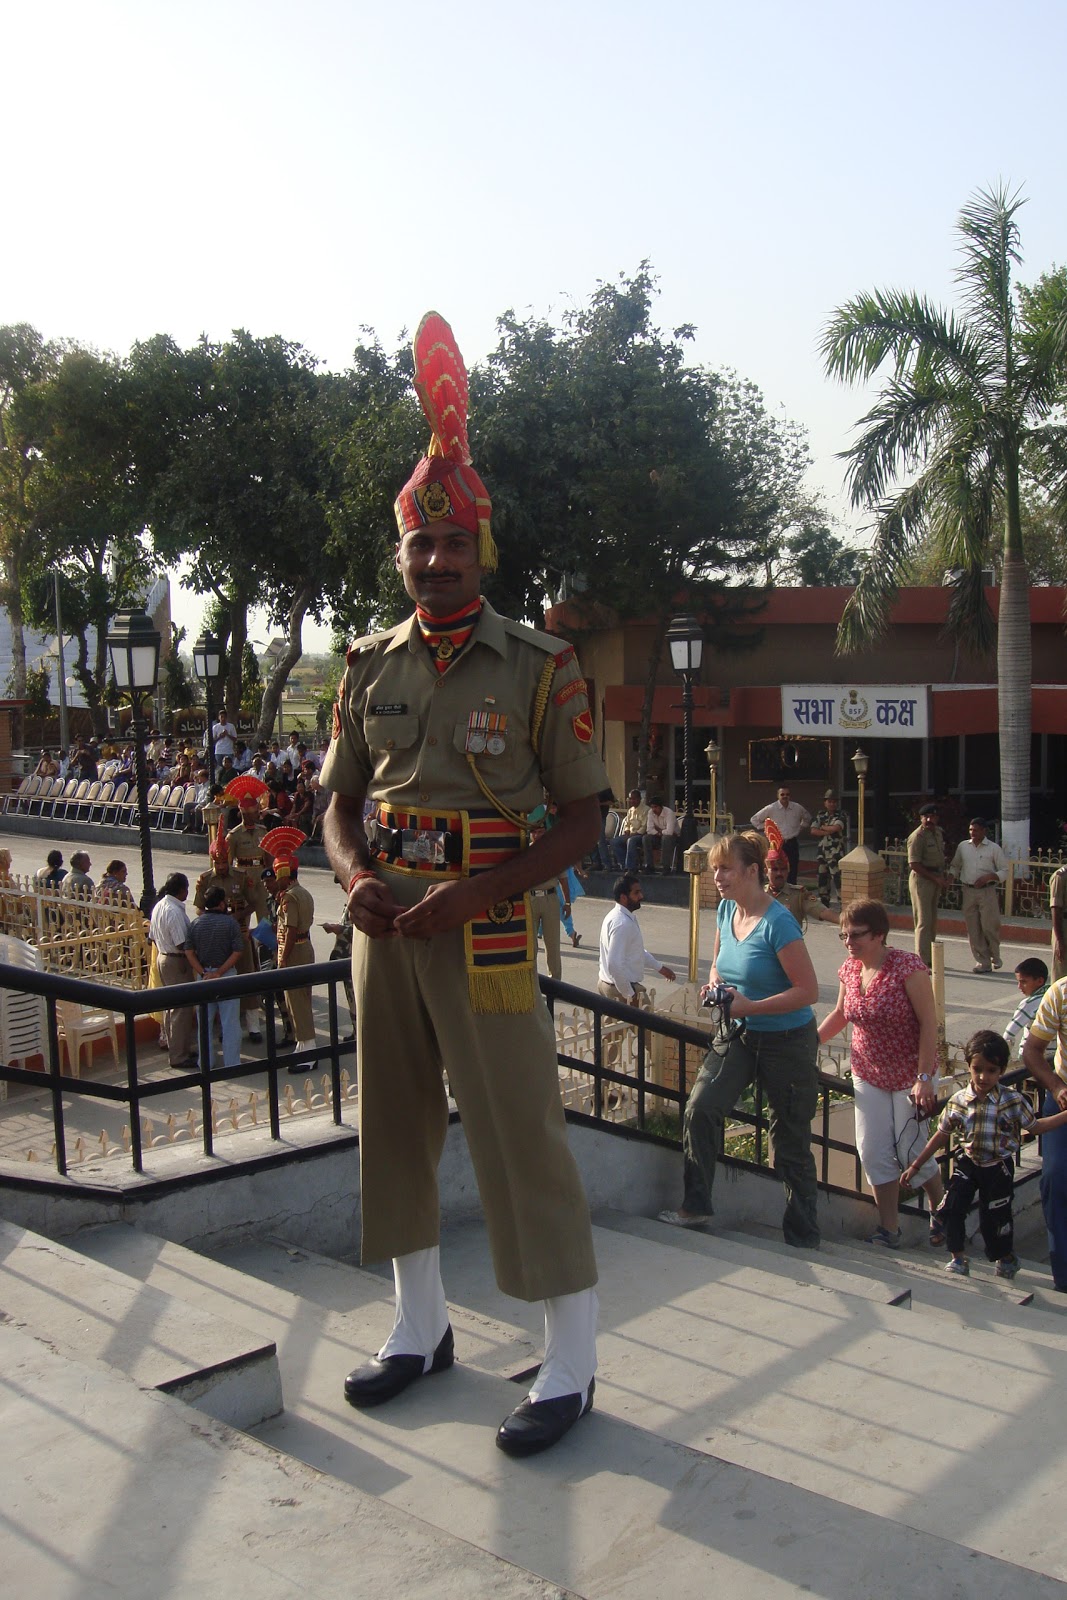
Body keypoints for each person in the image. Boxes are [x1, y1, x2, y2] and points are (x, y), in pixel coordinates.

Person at [321, 310, 605, 1459]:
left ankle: (572, 1358)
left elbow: (585, 815)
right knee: (389, 1126)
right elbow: (337, 798)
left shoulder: (539, 668)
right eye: (416, 548)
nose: (433, 563)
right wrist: (349, 874)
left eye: (453, 547)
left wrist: (479, 897)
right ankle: (417, 1326)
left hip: (482, 936)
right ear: (399, 556)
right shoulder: (366, 665)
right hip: (386, 928)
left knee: (515, 1134)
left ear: (482, 553)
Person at [658, 830, 821, 1245]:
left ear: (752, 871)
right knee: (700, 1108)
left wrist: (751, 1006)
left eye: (726, 868)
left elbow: (808, 991)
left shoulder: (778, 922)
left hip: (786, 1038)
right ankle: (695, 1206)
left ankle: (803, 1233)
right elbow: (718, 966)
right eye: (714, 869)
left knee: (789, 1139)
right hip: (737, 1033)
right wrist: (716, 987)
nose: (718, 877)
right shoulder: (725, 911)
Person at [818, 898, 945, 1248]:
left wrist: (923, 1079)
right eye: (844, 935)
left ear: (879, 935)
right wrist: (810, 1041)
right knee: (872, 1151)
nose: (849, 942)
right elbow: (842, 1013)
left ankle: (942, 1211)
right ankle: (889, 1228)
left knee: (911, 1150)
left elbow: (928, 1023)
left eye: (857, 935)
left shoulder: (908, 966)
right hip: (868, 1070)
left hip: (909, 1073)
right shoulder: (850, 968)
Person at [905, 1030, 1067, 1279]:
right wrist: (916, 1166)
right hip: (968, 1163)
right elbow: (941, 1135)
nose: (983, 1076)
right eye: (977, 1069)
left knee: (995, 1219)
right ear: (969, 1066)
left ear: (1000, 1071)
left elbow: (1036, 1127)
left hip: (997, 1168)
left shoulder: (1012, 1101)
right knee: (953, 1207)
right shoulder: (959, 1101)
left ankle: (1005, 1257)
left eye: (991, 1070)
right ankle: (957, 1257)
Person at [1021, 979, 1067, 1292]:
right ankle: (1063, 1275)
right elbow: (1032, 1051)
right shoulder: (1061, 993)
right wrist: (1056, 1086)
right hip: (1063, 1098)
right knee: (1056, 1178)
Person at [185, 887, 245, 1068]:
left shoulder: (196, 923)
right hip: (226, 976)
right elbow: (237, 951)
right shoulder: (230, 923)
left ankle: (205, 1062)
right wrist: (219, 973)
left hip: (203, 978)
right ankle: (232, 1063)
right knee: (230, 1023)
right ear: (221, 903)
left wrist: (204, 973)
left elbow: (189, 951)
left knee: (204, 1023)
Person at [597, 873, 677, 1004]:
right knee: (648, 1022)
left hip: (610, 985)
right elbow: (614, 964)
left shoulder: (618, 917)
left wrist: (660, 968)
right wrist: (629, 994)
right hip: (619, 989)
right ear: (623, 897)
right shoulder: (622, 923)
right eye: (636, 893)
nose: (641, 896)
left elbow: (636, 951)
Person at [273, 848, 317, 1074]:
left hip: (295, 951)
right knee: (299, 1001)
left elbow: (289, 930)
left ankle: (309, 1052)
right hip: (304, 947)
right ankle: (303, 1045)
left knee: (297, 1002)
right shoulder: (304, 892)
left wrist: (282, 958)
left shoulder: (290, 897)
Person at [147, 873, 197, 1069]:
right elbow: (182, 943)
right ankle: (178, 1055)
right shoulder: (173, 911)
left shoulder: (159, 906)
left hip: (163, 957)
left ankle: (177, 1047)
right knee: (180, 1010)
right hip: (176, 960)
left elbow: (151, 936)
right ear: (182, 890)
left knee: (171, 1008)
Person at [948, 817, 1008, 973]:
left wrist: (989, 877)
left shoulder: (993, 848)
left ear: (983, 831)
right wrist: (949, 878)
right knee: (973, 928)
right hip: (968, 891)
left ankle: (995, 955)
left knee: (989, 926)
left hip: (987, 891)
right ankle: (983, 961)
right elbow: (955, 865)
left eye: (975, 830)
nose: (972, 833)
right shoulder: (963, 846)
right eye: (970, 830)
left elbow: (1004, 871)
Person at [906, 802, 951, 967]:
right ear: (921, 818)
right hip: (922, 879)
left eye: (932, 816)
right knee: (923, 921)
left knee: (932, 920)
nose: (929, 819)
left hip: (935, 877)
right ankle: (922, 961)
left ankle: (932, 958)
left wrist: (942, 876)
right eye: (926, 816)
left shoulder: (938, 833)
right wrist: (934, 878)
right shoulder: (917, 837)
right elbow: (914, 864)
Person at [750, 786, 810, 884]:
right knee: (777, 868)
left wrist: (800, 828)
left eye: (787, 794)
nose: (785, 796)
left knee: (793, 867)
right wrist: (767, 828)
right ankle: (777, 889)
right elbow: (754, 819)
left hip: (792, 842)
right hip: (777, 844)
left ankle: (791, 890)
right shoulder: (771, 808)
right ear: (778, 796)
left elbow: (807, 818)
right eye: (782, 794)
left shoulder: (797, 807)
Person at [765, 848, 837, 927]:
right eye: (775, 869)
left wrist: (846, 921)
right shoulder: (757, 894)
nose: (779, 873)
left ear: (788, 870)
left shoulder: (799, 894)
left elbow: (822, 911)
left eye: (783, 869)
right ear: (766, 871)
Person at [1004, 957, 1051, 1060]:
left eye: (1023, 982)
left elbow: (1009, 1034)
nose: (1019, 986)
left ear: (1039, 981)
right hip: (1055, 1057)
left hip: (1031, 1058)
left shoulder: (1030, 1003)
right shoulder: (1054, 997)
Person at [809, 789, 849, 905]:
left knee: (838, 880)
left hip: (835, 853)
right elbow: (813, 830)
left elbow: (836, 828)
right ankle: (824, 904)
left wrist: (823, 827)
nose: (832, 804)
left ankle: (842, 905)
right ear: (825, 803)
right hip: (822, 853)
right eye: (829, 801)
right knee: (822, 880)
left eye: (834, 801)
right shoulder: (821, 815)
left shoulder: (841, 814)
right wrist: (827, 831)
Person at [645, 797, 680, 874]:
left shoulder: (669, 813)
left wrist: (659, 831)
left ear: (661, 807)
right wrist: (659, 833)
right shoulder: (651, 812)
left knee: (666, 838)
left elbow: (670, 832)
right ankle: (649, 865)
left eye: (656, 807)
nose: (654, 809)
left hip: (673, 837)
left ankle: (665, 867)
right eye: (652, 807)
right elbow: (649, 829)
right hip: (658, 835)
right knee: (646, 838)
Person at [619, 790, 650, 870]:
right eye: (630, 799)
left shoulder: (646, 810)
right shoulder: (630, 810)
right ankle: (624, 865)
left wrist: (633, 834)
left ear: (639, 799)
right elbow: (627, 824)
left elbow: (644, 827)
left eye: (634, 799)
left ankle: (631, 868)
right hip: (630, 834)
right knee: (614, 842)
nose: (631, 801)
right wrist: (626, 830)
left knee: (631, 841)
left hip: (640, 835)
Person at [1049, 861, 1067, 983]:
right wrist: (1059, 941)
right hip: (1064, 927)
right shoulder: (1060, 876)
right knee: (1061, 975)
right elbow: (1055, 908)